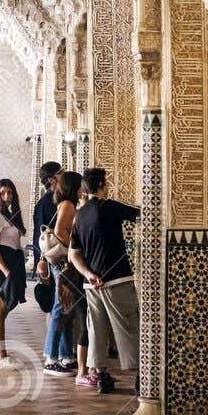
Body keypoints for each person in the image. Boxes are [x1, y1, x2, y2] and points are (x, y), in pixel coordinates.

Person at [68, 167, 141, 395]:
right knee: (128, 327)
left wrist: (89, 274)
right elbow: (141, 213)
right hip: (117, 280)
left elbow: (73, 254)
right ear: (101, 185)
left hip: (92, 285)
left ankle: (101, 376)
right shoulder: (109, 207)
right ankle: (141, 375)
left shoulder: (79, 215)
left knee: (96, 330)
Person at [41, 168, 81, 376]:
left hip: (66, 262)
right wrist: (74, 248)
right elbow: (59, 231)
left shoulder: (68, 204)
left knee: (67, 307)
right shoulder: (67, 204)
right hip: (63, 262)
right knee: (60, 307)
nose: (83, 188)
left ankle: (67, 356)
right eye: (80, 184)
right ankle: (51, 357)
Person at [0, 178, 27, 365]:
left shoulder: (6, 214)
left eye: (10, 192)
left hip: (10, 263)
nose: (7, 196)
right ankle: (2, 356)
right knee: (0, 311)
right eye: (3, 193)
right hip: (2, 265)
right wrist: (6, 271)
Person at [32, 160, 61, 269]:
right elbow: (40, 234)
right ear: (51, 180)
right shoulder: (45, 203)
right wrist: (40, 260)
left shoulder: (58, 199)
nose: (64, 176)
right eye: (60, 173)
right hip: (49, 257)